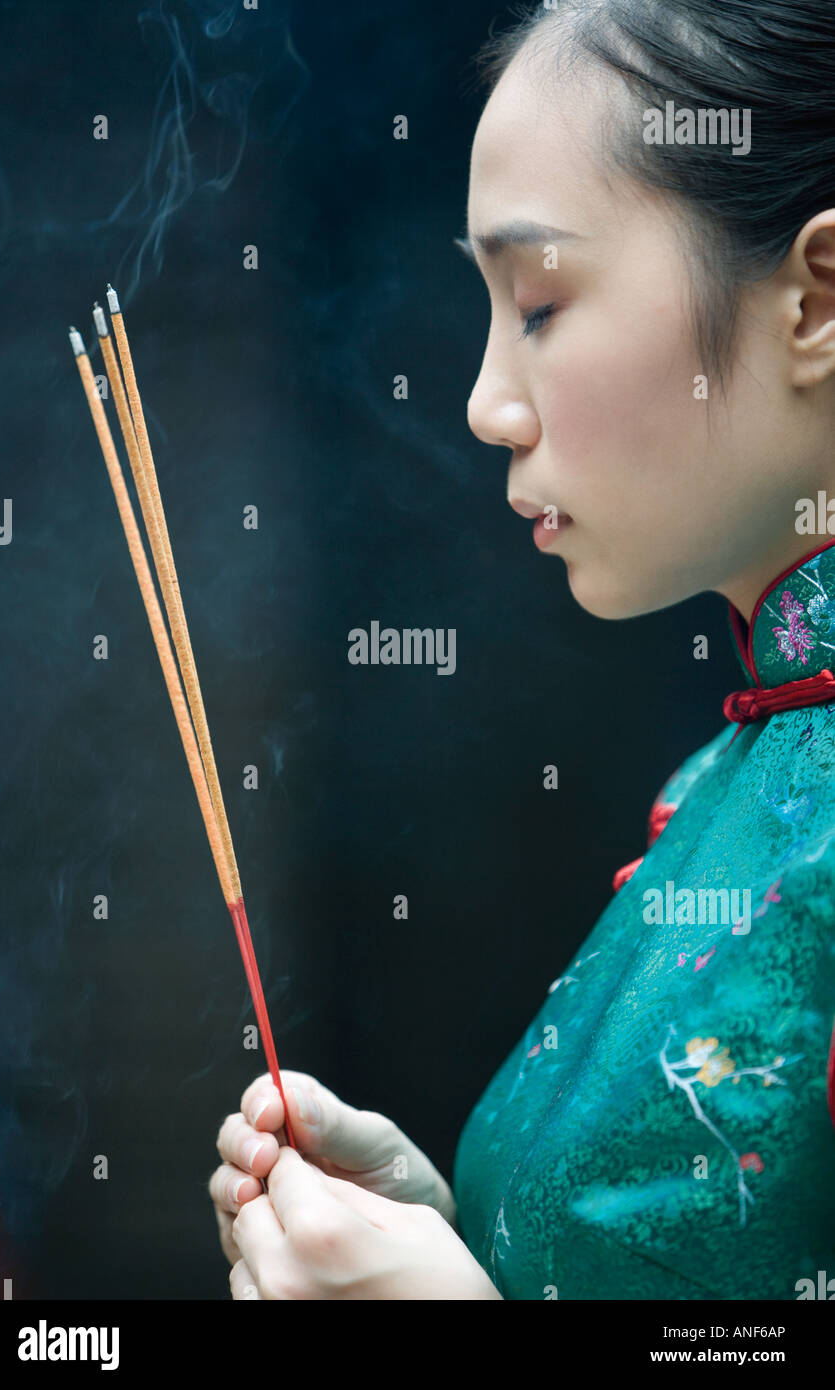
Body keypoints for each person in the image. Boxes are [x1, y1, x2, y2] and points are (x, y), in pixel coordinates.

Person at [209, 0, 835, 1298]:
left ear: (817, 300)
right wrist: (459, 1234)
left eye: (540, 302)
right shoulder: (726, 779)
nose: (487, 404)